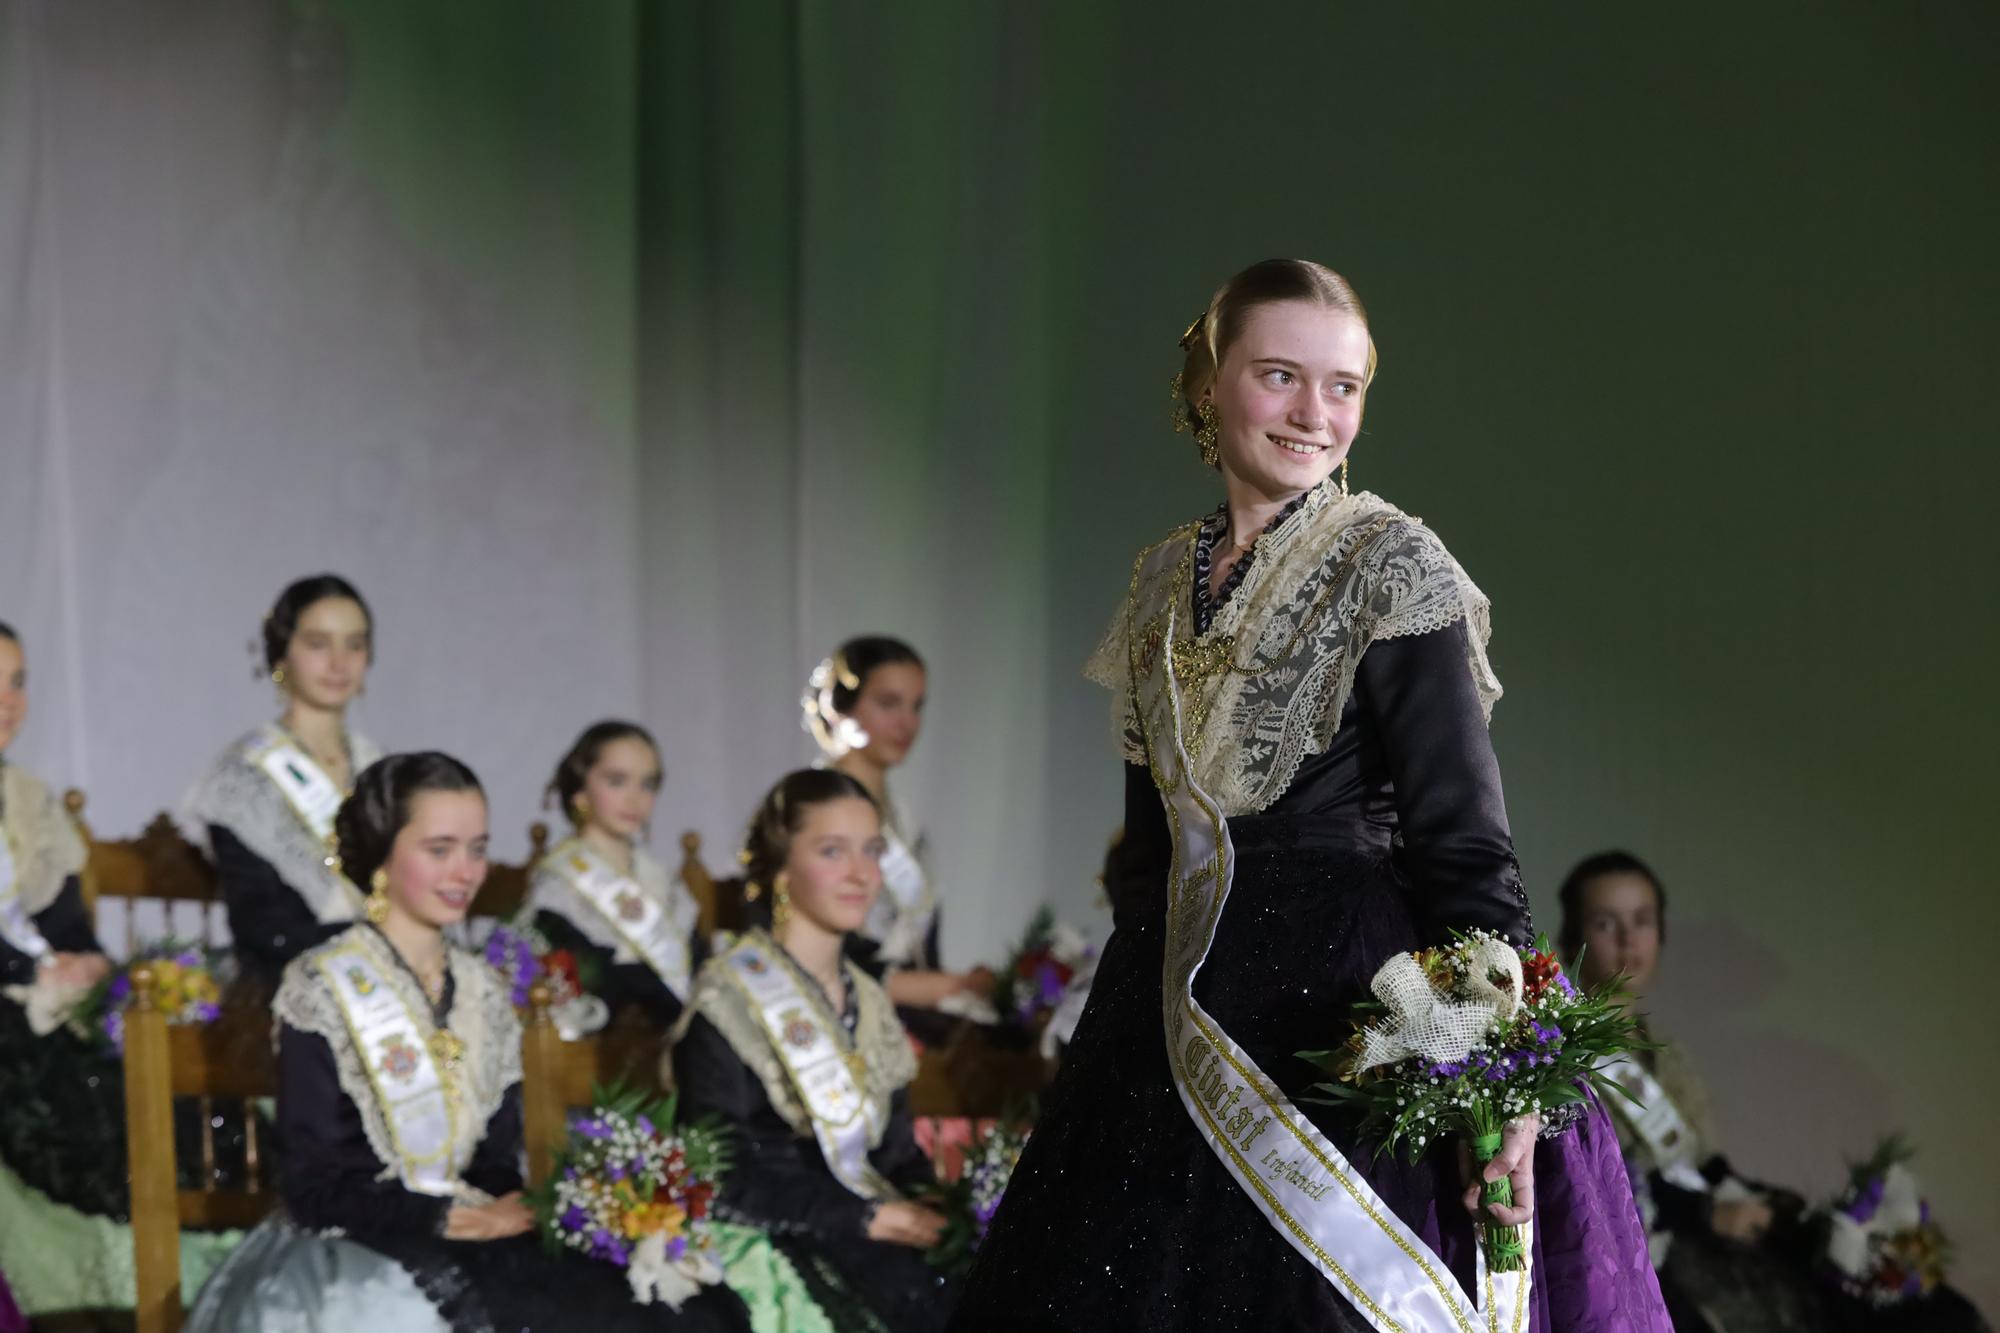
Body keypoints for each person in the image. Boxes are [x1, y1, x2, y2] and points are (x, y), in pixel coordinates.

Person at [952, 259, 1668, 1330]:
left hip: (1339, 1030)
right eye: (1279, 376)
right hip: (1168, 1030)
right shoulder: (1160, 580)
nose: (1312, 414)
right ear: (1209, 384)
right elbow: (1149, 857)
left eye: (1343, 386)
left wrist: (1501, 1083)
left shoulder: (1392, 563)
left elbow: (1464, 843)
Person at [186, 752, 750, 1332]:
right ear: (382, 854)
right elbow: (312, 1186)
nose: (465, 873)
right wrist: (444, 1218)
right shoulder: (323, 984)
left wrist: (533, 1209)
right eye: (440, 850)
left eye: (477, 850)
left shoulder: (484, 989)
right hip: (356, 1243)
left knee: (682, 1309)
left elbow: (493, 1159)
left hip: (476, 1228)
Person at [1562, 851, 1991, 1333]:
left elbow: (1700, 1164)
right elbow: (1596, 1187)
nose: (1628, 940)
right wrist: (1705, 1214)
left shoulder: (1669, 1056)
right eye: (1605, 923)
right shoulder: (1563, 1060)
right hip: (1646, 1251)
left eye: (1642, 921)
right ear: (1572, 937)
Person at [0, 621, 240, 1315]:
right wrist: (32, 973)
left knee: (144, 1050)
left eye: (18, 683)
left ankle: (206, 1261)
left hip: (40, 990)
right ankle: (100, 1287)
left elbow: (63, 918)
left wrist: (82, 961)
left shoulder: (28, 798)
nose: (9, 701)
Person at [672, 768, 957, 1332]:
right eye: (832, 851)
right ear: (781, 868)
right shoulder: (729, 1000)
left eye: (871, 851)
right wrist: (866, 1217)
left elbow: (897, 1156)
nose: (861, 874)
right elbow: (719, 1175)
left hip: (873, 1230)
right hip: (772, 1236)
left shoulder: (870, 1002)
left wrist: (948, 1214)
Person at [184, 574, 383, 986]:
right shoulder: (244, 777)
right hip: (290, 985)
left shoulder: (379, 768)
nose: (339, 663)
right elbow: (261, 926)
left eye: (354, 644)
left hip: (387, 971)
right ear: (281, 654)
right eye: (318, 643)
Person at [801, 638, 992, 1041]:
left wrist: (950, 984)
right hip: (833, 1014)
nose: (908, 724)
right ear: (840, 706)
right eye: (889, 703)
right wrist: (936, 986)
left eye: (916, 706)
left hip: (902, 1013)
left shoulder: (904, 822)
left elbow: (920, 945)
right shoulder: (808, 812)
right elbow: (803, 950)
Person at [518, 721, 705, 1027]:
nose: (634, 798)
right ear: (580, 789)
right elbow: (586, 982)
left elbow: (696, 967)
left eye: (647, 784)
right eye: (617, 781)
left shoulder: (664, 880)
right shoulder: (559, 884)